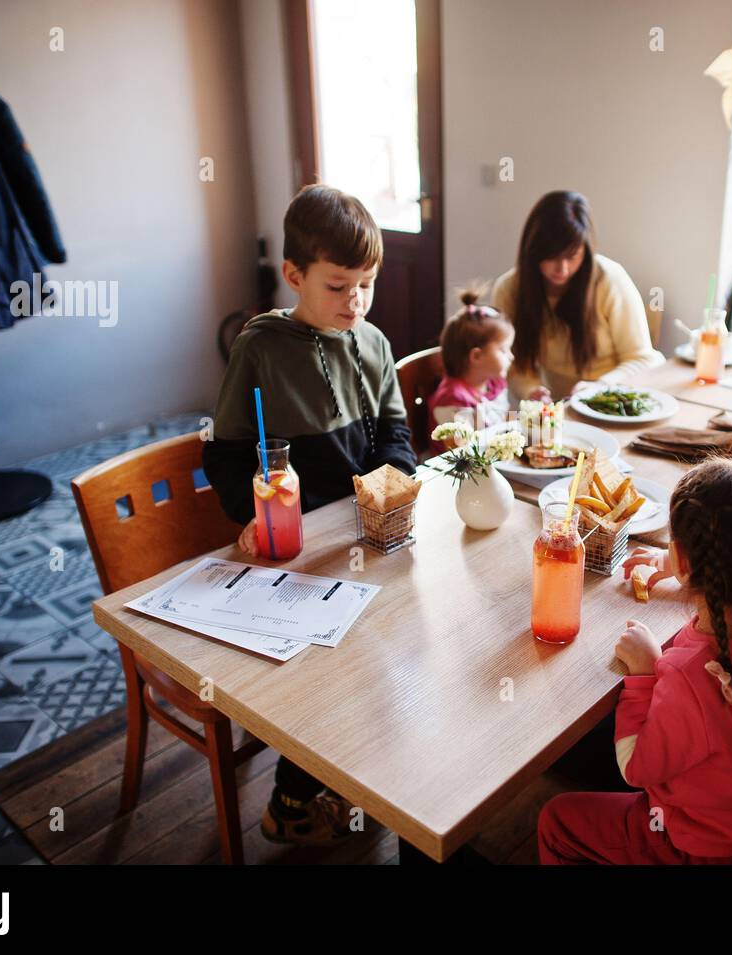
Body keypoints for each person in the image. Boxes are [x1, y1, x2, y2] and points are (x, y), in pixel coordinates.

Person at [201, 183, 417, 845]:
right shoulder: (260, 350)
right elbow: (224, 455)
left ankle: (362, 761)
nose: (355, 302)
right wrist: (250, 512)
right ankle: (291, 800)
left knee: (398, 641)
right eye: (338, 285)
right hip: (296, 550)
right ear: (294, 275)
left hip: (367, 536)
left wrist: (394, 484)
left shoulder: (373, 342)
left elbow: (396, 435)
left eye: (368, 284)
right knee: (324, 664)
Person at [537, 459, 732, 864]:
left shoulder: (689, 674)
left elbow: (634, 766)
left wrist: (645, 674)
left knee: (556, 821)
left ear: (687, 560)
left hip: (695, 846)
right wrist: (672, 566)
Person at [491, 191, 664, 402]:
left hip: (616, 400)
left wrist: (602, 387)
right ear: (533, 250)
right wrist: (531, 390)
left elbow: (642, 359)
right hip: (562, 406)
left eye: (572, 256)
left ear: (586, 249)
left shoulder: (609, 279)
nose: (562, 269)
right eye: (551, 257)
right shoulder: (510, 289)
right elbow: (514, 362)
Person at [425, 287, 513, 455]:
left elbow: (504, 423)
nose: (511, 356)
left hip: (493, 461)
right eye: (503, 350)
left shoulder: (494, 383)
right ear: (477, 356)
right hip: (460, 473)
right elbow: (462, 455)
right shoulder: (452, 401)